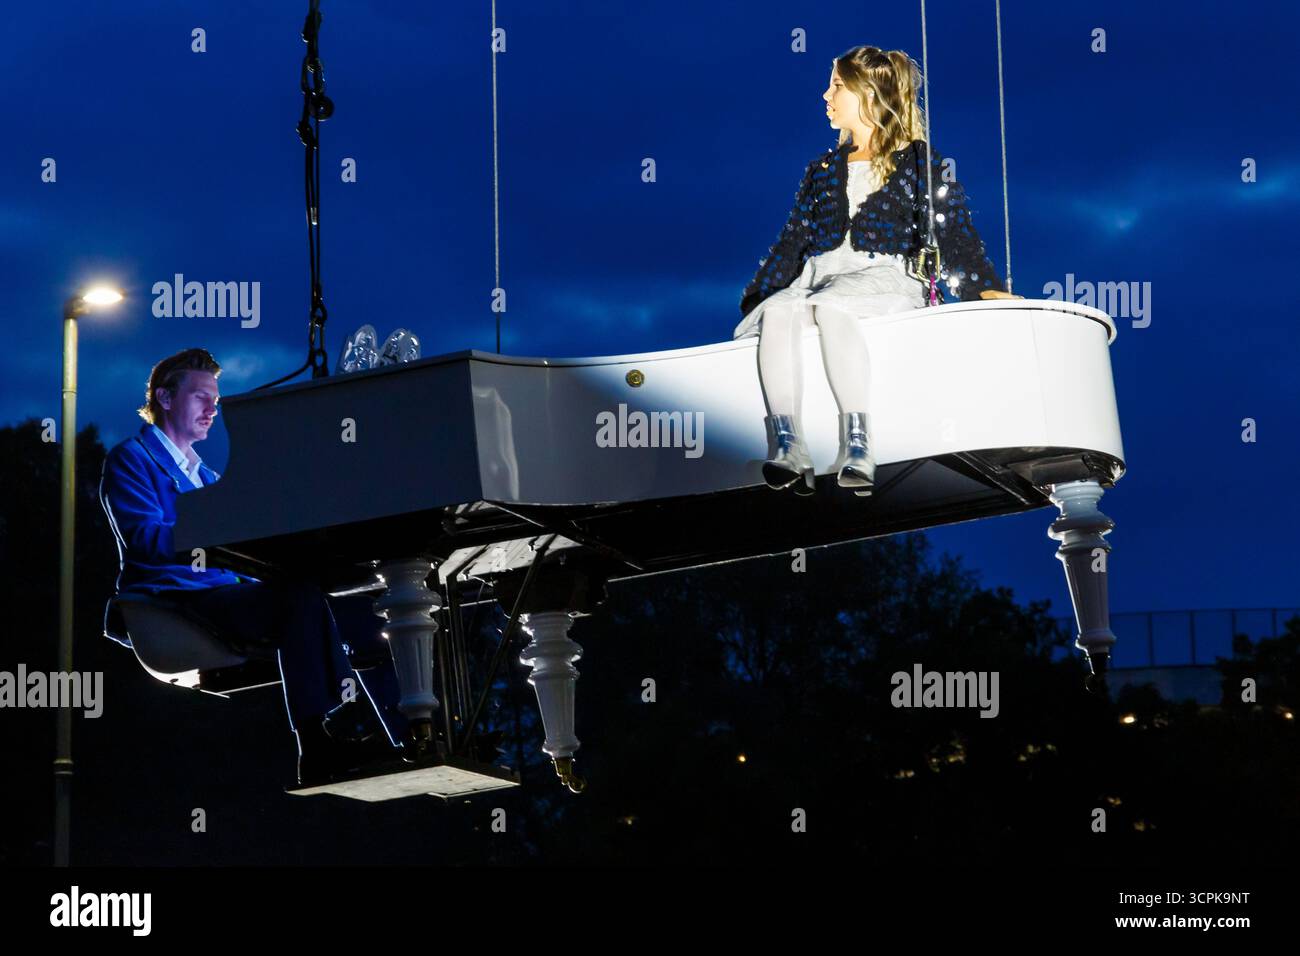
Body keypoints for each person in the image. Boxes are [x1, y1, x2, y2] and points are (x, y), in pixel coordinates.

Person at [98, 347, 408, 786]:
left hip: (224, 592)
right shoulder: (131, 460)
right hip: (180, 600)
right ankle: (316, 745)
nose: (212, 408)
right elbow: (145, 542)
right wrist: (218, 532)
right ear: (165, 399)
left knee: (359, 603)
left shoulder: (206, 478)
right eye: (200, 396)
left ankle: (408, 733)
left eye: (216, 400)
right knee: (297, 596)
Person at [738, 45, 1021, 495]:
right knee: (778, 313)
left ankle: (858, 443)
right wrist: (760, 294)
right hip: (821, 275)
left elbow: (955, 234)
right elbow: (793, 239)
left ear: (868, 93)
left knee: (833, 308)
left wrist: (983, 289)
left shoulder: (918, 163)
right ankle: (789, 442)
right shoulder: (823, 169)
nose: (824, 94)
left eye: (836, 84)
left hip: (883, 276)